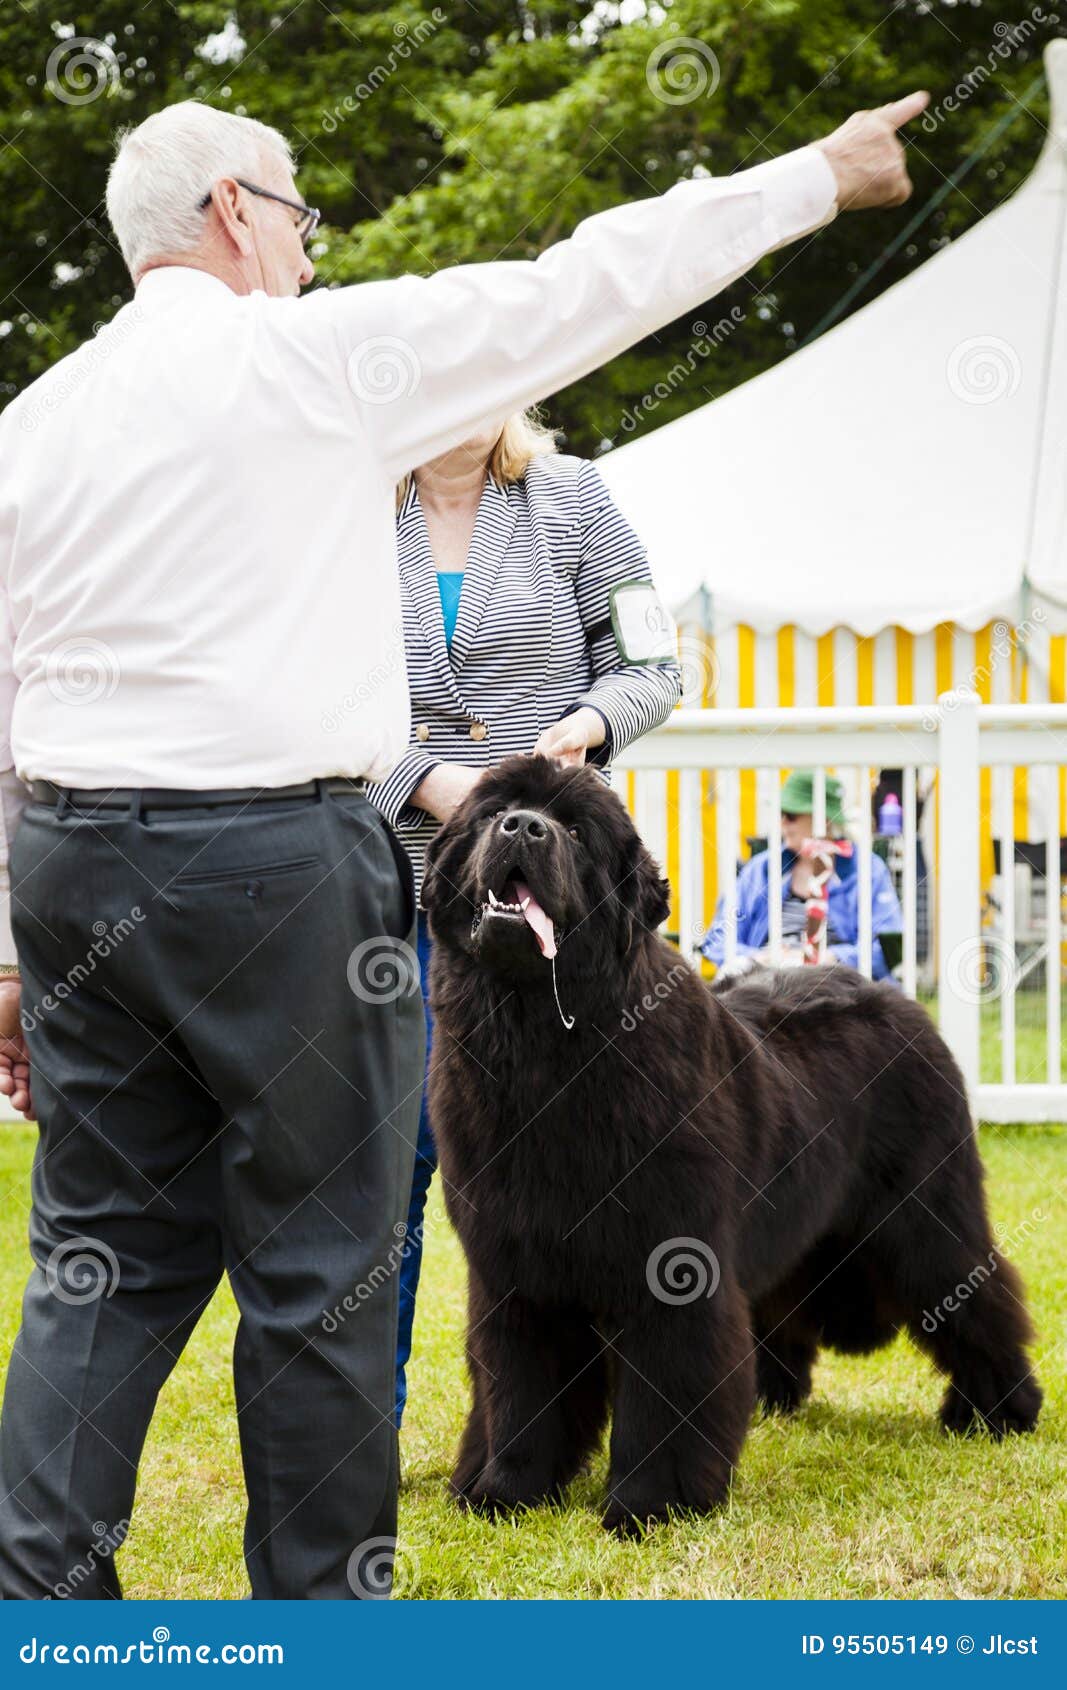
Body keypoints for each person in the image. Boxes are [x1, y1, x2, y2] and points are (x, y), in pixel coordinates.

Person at [0, 91, 926, 1599]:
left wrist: (6, 942)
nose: (312, 249)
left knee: (102, 1258)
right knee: (315, 1269)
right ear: (236, 211)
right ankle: (318, 1622)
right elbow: (583, 281)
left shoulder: (32, 421)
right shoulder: (310, 364)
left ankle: (35, 1603)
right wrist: (814, 178)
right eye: (301, 217)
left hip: (70, 858)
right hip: (272, 868)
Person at [372, 411, 680, 1429]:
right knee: (394, 1156)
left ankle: (560, 1412)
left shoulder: (575, 497)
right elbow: (315, 694)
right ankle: (364, 1426)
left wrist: (589, 725)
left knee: (584, 1149)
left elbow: (650, 666)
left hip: (561, 904)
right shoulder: (345, 512)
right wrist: (431, 783)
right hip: (396, 885)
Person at [702, 771, 904, 980]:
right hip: (766, 985)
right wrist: (758, 957)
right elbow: (717, 939)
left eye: (790, 816)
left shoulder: (867, 869)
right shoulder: (760, 869)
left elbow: (888, 946)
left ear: (824, 820)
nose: (782, 824)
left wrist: (832, 958)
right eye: (780, 815)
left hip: (837, 985)